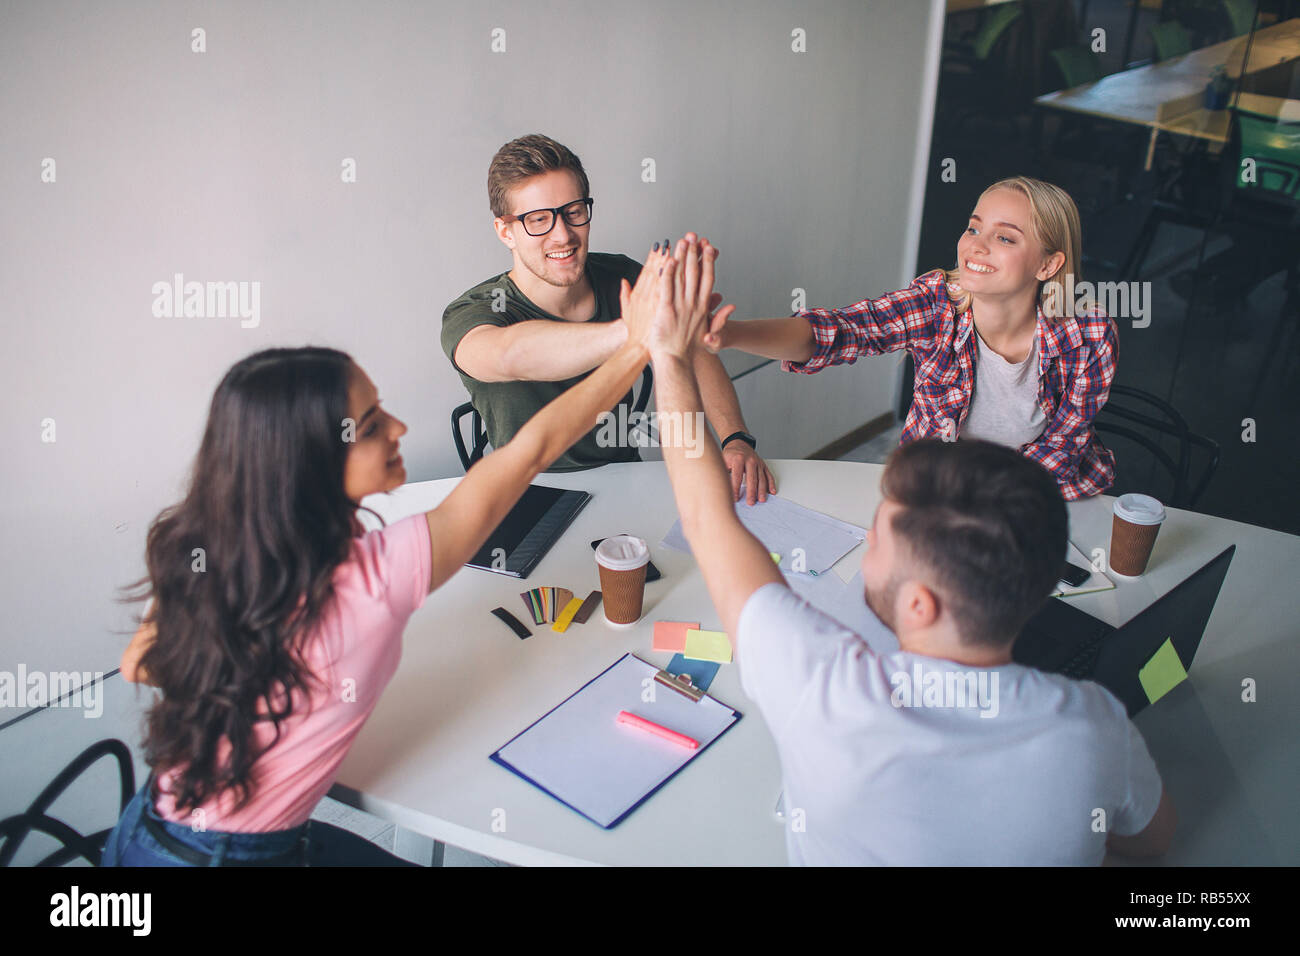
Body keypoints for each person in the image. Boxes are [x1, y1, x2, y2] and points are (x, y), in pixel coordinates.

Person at [102, 245, 678, 866]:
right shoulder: (373, 578)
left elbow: (139, 665)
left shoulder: (201, 544)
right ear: (308, 464)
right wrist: (640, 346)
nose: (399, 428)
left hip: (148, 828)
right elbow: (530, 450)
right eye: (372, 424)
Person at [644, 234, 1175, 864]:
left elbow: (706, 515)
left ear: (919, 605)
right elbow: (1154, 844)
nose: (867, 536)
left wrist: (667, 356)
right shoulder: (1094, 724)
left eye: (879, 535)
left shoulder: (821, 682)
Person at [703, 176, 1117, 500]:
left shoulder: (1088, 335)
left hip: (1037, 496)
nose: (977, 246)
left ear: (1048, 265)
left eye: (1005, 237)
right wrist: (733, 334)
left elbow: (1062, 449)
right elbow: (836, 332)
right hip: (933, 489)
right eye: (973, 229)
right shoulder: (937, 303)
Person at [441, 133, 775, 503]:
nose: (563, 235)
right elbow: (510, 355)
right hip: (527, 495)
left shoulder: (623, 279)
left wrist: (736, 439)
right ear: (506, 231)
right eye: (538, 220)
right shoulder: (475, 311)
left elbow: (698, 350)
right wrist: (634, 332)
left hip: (624, 477)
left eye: (574, 212)